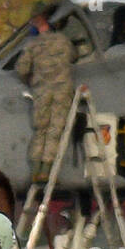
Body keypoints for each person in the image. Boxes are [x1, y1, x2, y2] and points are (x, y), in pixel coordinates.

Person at [15, 12, 76, 183]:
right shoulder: (63, 41)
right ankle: (47, 170)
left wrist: (33, 81)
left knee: (40, 129)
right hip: (62, 91)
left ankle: (35, 170)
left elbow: (21, 69)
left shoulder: (32, 45)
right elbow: (74, 56)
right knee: (55, 129)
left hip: (41, 91)